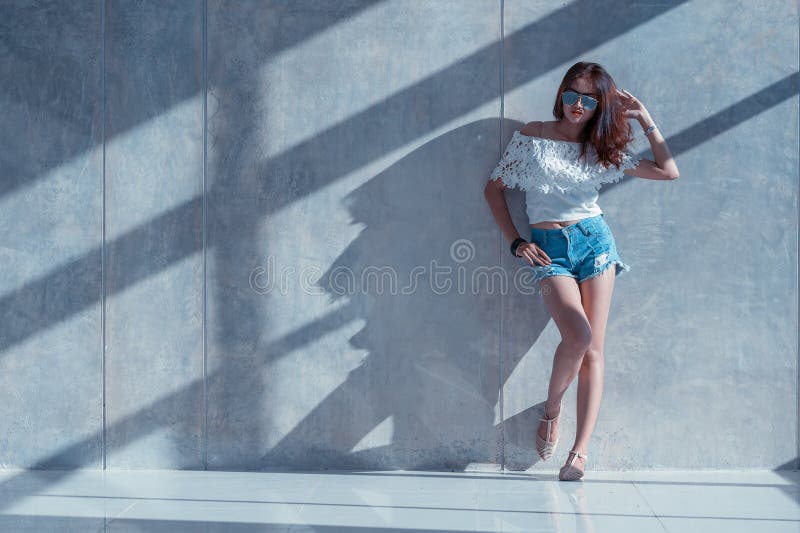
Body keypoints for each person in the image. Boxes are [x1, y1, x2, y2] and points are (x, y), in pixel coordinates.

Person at [484, 61, 679, 481]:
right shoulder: (532, 137)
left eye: (588, 99)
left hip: (594, 244)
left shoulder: (601, 150)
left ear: (599, 105)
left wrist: (646, 119)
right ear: (561, 94)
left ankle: (579, 452)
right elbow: (494, 188)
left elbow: (668, 171)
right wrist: (516, 241)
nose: (577, 105)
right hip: (548, 249)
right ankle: (551, 409)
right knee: (579, 335)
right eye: (571, 94)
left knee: (594, 350)